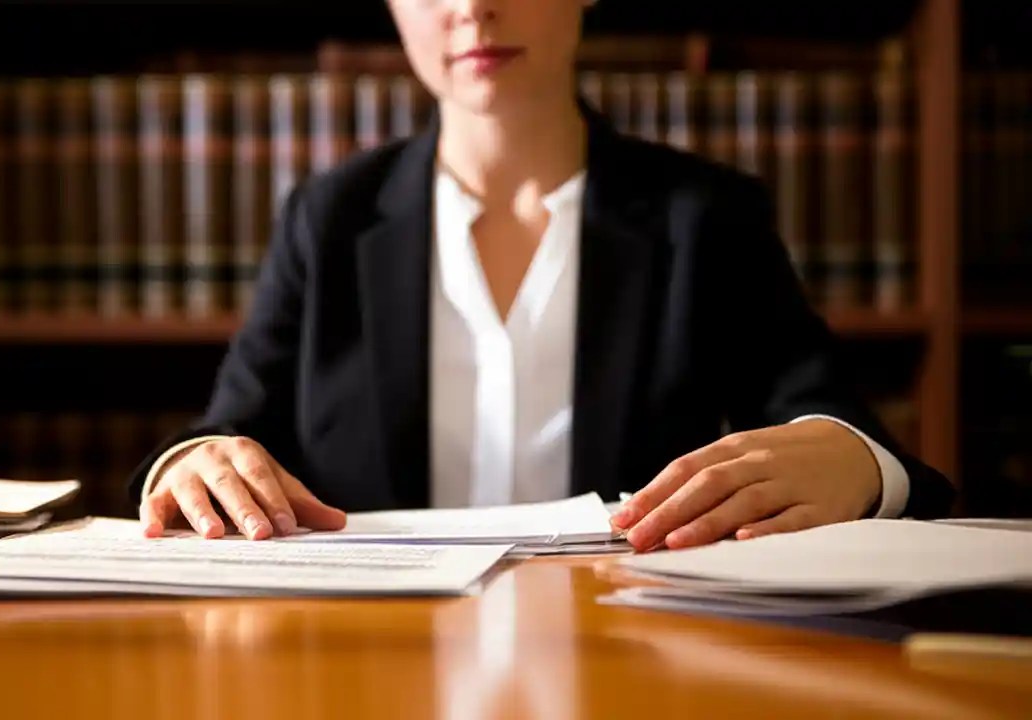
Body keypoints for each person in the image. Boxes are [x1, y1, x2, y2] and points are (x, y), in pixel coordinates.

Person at [127, 0, 954, 550]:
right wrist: (191, 465)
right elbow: (222, 434)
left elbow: (850, 439)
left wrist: (855, 461)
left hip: (638, 668)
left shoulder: (707, 216)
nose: (474, 6)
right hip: (374, 667)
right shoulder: (328, 218)